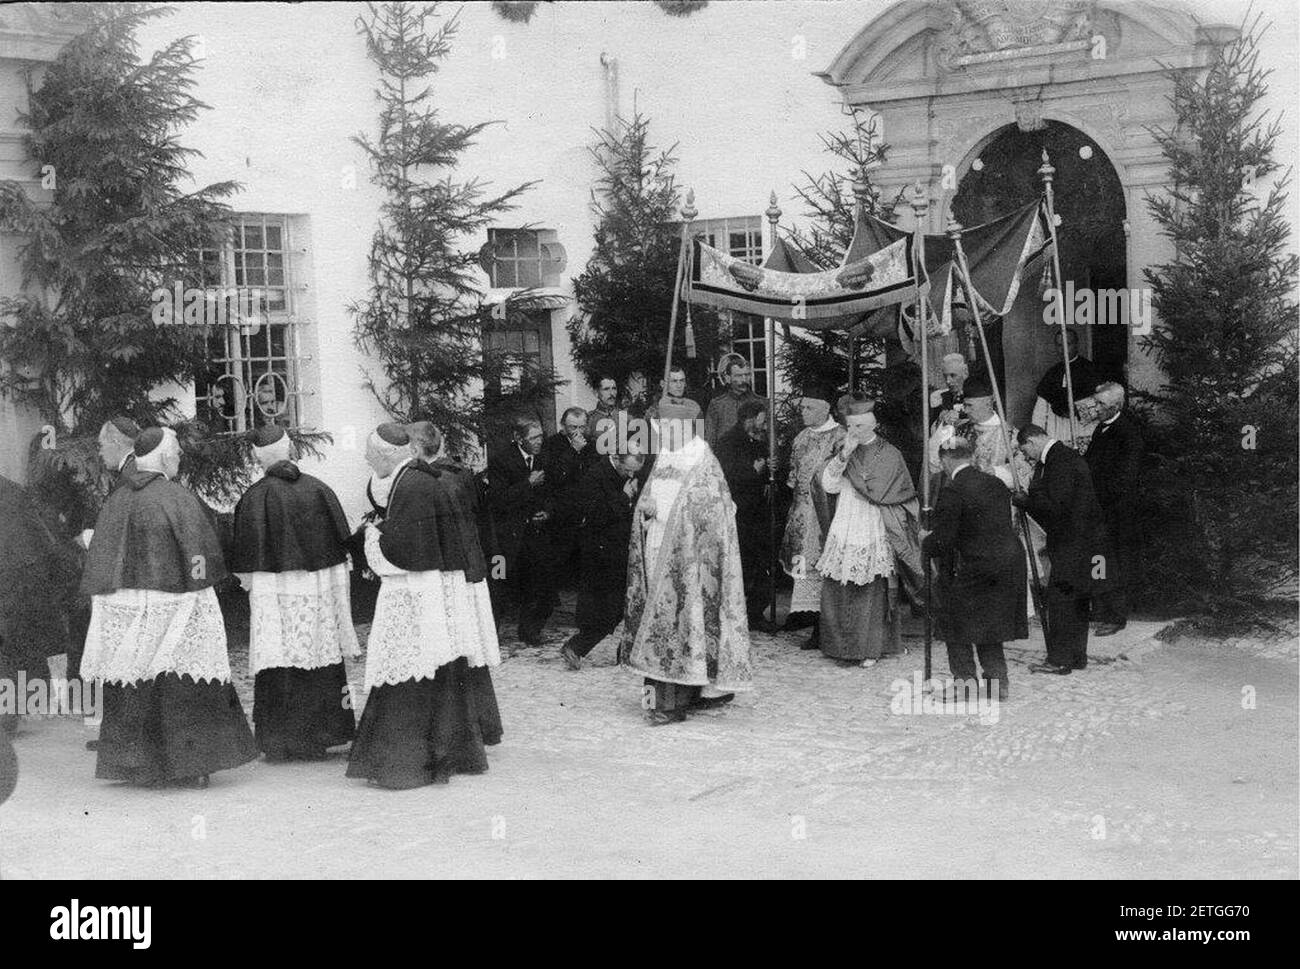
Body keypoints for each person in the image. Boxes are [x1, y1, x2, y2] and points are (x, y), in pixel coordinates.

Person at [79, 427, 257, 787]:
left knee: (134, 678)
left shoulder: (118, 500)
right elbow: (199, 553)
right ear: (161, 456)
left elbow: (104, 558)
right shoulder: (176, 497)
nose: (178, 457)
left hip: (127, 606)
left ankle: (135, 765)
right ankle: (188, 765)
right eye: (175, 451)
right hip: (176, 602)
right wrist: (200, 582)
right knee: (180, 680)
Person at [347, 422, 503, 789]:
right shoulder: (416, 478)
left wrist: (370, 537)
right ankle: (445, 755)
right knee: (433, 671)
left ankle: (406, 764)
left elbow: (401, 552)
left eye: (370, 455)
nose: (368, 460)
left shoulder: (413, 485)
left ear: (386, 455)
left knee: (411, 672)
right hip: (433, 588)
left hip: (419, 593)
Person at [230, 425, 358, 762]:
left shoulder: (255, 497)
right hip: (317, 593)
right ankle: (325, 733)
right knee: (319, 652)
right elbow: (340, 554)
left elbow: (244, 567)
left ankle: (279, 741)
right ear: (289, 450)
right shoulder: (320, 490)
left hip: (274, 593)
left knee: (279, 658)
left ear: (257, 457)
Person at [620, 401, 752, 725]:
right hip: (657, 548)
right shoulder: (665, 454)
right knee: (660, 620)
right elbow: (653, 496)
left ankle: (673, 703)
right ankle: (660, 697)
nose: (660, 433)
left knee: (682, 622)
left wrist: (667, 515)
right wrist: (646, 511)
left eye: (665, 428)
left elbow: (716, 509)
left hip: (690, 562)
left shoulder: (702, 459)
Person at [811, 398, 923, 668]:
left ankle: (872, 647)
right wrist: (844, 455)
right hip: (847, 519)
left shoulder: (890, 453)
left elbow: (898, 492)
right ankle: (841, 647)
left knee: (871, 589)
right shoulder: (844, 448)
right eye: (850, 425)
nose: (855, 431)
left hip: (874, 521)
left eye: (860, 425)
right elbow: (829, 485)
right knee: (839, 585)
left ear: (874, 424)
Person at [922, 437, 1027, 702]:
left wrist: (926, 539)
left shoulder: (953, 490)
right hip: (1008, 562)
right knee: (988, 622)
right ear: (970, 456)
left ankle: (965, 685)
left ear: (946, 460)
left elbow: (944, 540)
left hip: (976, 564)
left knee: (954, 622)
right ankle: (997, 684)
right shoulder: (995, 483)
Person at [1013, 424, 1106, 674]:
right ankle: (1076, 656)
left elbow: (1057, 505)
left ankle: (1060, 660)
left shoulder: (1058, 461)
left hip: (1072, 541)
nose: (1026, 457)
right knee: (1076, 600)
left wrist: (1026, 502)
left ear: (1032, 441)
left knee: (1062, 600)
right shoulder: (1064, 456)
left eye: (1025, 451)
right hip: (1082, 540)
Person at [0, 474, 76, 740]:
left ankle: (6, 718)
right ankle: (8, 715)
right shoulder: (14, 491)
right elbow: (44, 542)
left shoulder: (12, 492)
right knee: (11, 651)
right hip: (25, 583)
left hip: (11, 583)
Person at [560, 442, 645, 670]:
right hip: (600, 554)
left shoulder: (624, 472)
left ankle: (613, 651)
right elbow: (593, 515)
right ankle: (578, 647)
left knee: (621, 605)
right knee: (612, 607)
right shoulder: (595, 475)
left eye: (634, 471)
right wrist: (623, 496)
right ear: (616, 458)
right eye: (627, 470)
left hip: (618, 550)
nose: (630, 475)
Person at [779, 386, 845, 648]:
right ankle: (808, 617)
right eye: (802, 407)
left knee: (824, 571)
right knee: (804, 573)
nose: (803, 412)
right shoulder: (801, 437)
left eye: (809, 408)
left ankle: (825, 628)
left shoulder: (839, 437)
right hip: (802, 514)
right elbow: (793, 478)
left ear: (825, 408)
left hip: (827, 515)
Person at [1084, 382, 1145, 635]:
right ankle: (1100, 608)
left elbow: (1125, 478)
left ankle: (1116, 616)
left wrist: (1100, 496)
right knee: (1099, 560)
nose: (1095, 408)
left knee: (1118, 562)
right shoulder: (1101, 429)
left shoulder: (1128, 433)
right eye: (1095, 402)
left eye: (1101, 404)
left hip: (1118, 511)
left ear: (1116, 406)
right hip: (1100, 509)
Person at [487, 417, 554, 645]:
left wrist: (547, 512)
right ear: (519, 438)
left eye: (541, 437)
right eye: (533, 438)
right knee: (499, 585)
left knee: (535, 584)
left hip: (535, 533)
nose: (539, 442)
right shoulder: (501, 461)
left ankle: (529, 631)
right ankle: (490, 635)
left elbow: (551, 492)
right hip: (507, 537)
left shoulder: (544, 457)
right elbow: (498, 500)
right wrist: (528, 484)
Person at [714, 399, 776, 632]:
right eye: (761, 421)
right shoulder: (727, 443)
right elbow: (727, 476)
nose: (764, 427)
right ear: (748, 420)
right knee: (742, 564)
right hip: (739, 515)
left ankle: (756, 612)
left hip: (758, 514)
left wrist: (770, 470)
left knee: (761, 564)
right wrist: (754, 471)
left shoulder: (760, 441)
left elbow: (765, 472)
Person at [540, 406, 591, 582]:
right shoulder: (551, 444)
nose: (578, 432)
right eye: (573, 427)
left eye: (582, 427)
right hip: (560, 511)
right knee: (560, 561)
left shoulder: (590, 443)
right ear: (563, 426)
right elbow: (553, 477)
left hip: (584, 509)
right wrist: (573, 451)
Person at [1031, 329, 1104, 451]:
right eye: (1059, 345)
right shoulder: (1052, 373)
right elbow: (1040, 409)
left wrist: (1077, 410)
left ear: (1076, 344)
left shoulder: (1090, 369)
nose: (1063, 349)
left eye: (1068, 344)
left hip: (1083, 428)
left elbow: (1100, 403)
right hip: (1058, 429)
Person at [703, 356, 765, 447]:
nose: (744, 380)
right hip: (725, 458)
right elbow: (709, 440)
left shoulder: (762, 403)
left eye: (747, 375)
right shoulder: (717, 405)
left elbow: (769, 439)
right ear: (728, 378)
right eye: (738, 376)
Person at [586, 376, 623, 441]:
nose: (612, 393)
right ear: (596, 393)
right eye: (606, 389)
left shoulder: (626, 418)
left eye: (614, 388)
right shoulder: (588, 420)